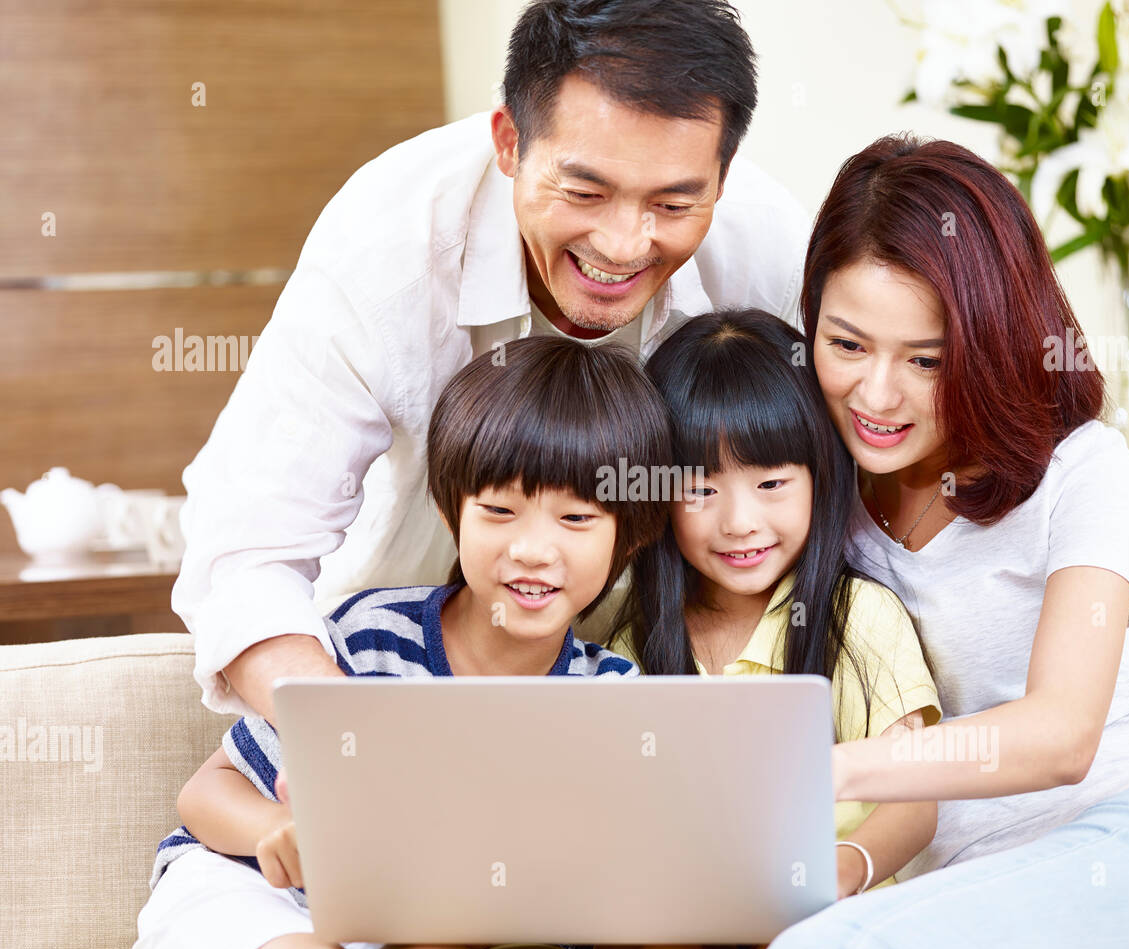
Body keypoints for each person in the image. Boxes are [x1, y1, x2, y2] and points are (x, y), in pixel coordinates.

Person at [171, 0, 810, 728]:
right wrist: (356, 738)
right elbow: (246, 548)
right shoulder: (386, 245)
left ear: (722, 180)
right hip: (398, 668)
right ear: (509, 142)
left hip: (642, 674)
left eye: (671, 204)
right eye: (585, 192)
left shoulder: (767, 245)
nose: (626, 245)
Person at [761, 135, 1129, 949]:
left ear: (993, 344)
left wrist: (829, 771)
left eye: (927, 360)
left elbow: (1063, 733)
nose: (878, 394)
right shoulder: (809, 499)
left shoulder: (1084, 470)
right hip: (972, 897)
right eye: (847, 344)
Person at [129, 337, 671, 949]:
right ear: (449, 512)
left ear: (631, 532)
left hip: (410, 926)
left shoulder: (612, 697)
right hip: (253, 895)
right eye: (499, 511)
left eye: (576, 519)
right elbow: (203, 794)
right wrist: (272, 831)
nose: (532, 550)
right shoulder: (374, 638)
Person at [605, 309, 942, 949]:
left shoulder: (857, 618)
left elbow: (917, 800)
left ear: (819, 474)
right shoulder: (632, 642)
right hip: (693, 904)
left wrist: (841, 869)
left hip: (833, 903)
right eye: (699, 489)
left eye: (771, 484)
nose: (740, 522)